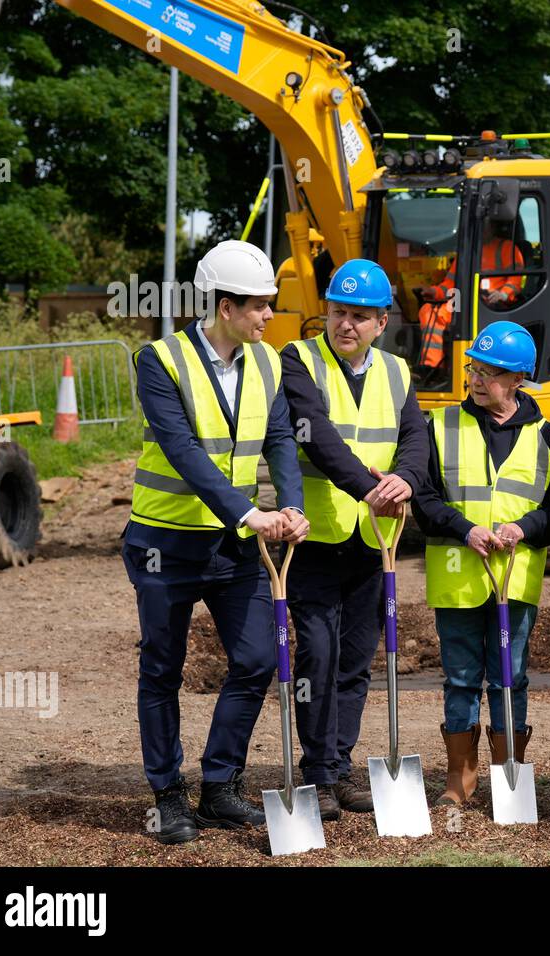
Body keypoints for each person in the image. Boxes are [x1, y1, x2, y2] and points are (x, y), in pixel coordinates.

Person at [124, 239, 309, 845]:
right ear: (225, 307)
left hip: (234, 547)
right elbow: (180, 449)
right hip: (165, 542)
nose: (268, 316)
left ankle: (219, 786)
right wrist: (245, 513)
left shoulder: (268, 361)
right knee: (163, 667)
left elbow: (281, 436)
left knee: (257, 659)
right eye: (258, 306)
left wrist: (289, 504)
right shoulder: (160, 360)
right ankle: (167, 794)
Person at [280, 259, 429, 820]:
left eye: (359, 317)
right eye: (338, 313)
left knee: (357, 658)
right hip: (315, 534)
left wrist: (407, 480)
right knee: (317, 652)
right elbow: (314, 434)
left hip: (373, 538)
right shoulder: (298, 360)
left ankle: (338, 768)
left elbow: (415, 436)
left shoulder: (396, 371)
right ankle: (316, 772)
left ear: (381, 320)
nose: (346, 325)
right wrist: (371, 486)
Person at [412, 320, 550, 806]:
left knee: (510, 678)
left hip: (515, 578)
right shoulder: (440, 426)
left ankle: (507, 776)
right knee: (458, 678)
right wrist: (464, 528)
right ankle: (460, 777)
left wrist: (523, 529)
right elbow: (425, 500)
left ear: (519, 379)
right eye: (474, 368)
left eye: (491, 372)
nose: (477, 379)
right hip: (456, 578)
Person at [415, 219, 525, 371]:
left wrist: (503, 294)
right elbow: (451, 284)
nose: (482, 229)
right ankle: (431, 367)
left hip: (493, 303)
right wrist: (435, 291)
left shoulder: (506, 248)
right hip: (464, 301)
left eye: (485, 225)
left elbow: (515, 280)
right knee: (429, 311)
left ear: (493, 226)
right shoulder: (466, 253)